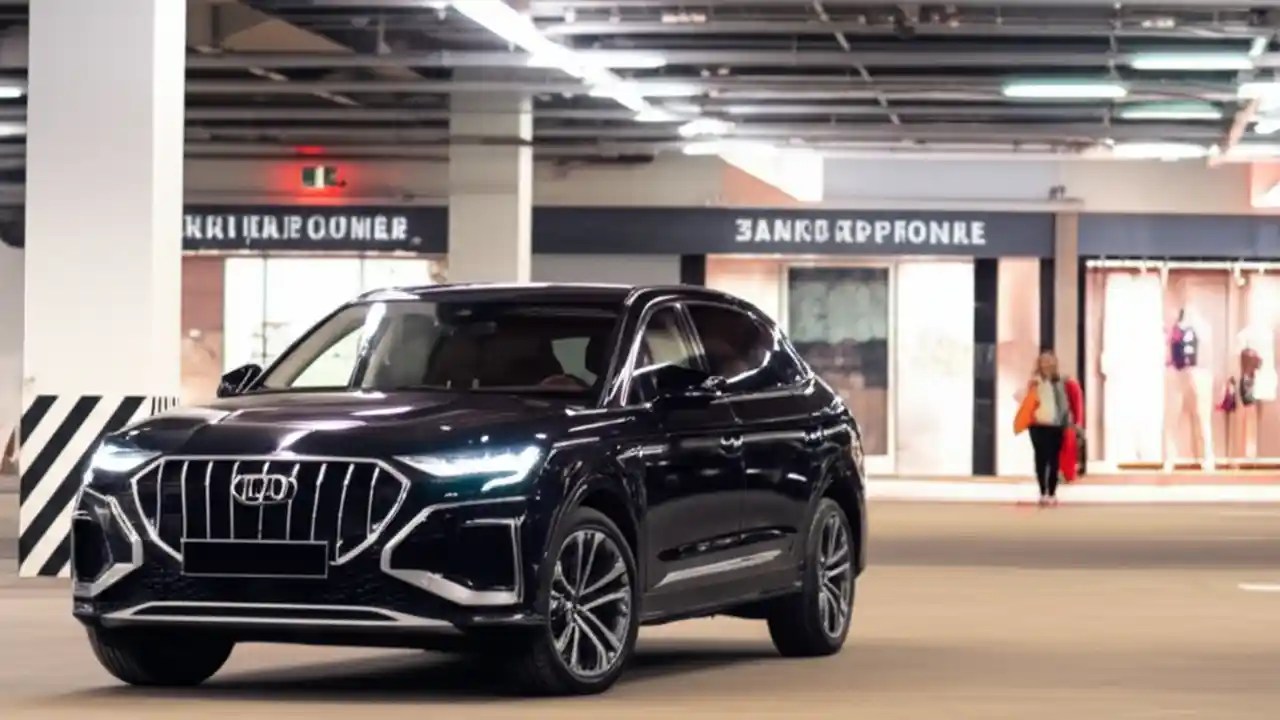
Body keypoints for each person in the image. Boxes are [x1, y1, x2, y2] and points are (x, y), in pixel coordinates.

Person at [1026, 350, 1082, 506]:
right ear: (1039, 364)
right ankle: (1042, 492)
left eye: (1050, 361)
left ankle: (1052, 492)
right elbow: (1028, 404)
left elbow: (1069, 404)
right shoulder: (1034, 382)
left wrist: (1073, 423)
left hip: (1056, 425)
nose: (1047, 364)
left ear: (1055, 363)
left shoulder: (1063, 382)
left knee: (1054, 459)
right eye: (1043, 361)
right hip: (1037, 426)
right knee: (1040, 459)